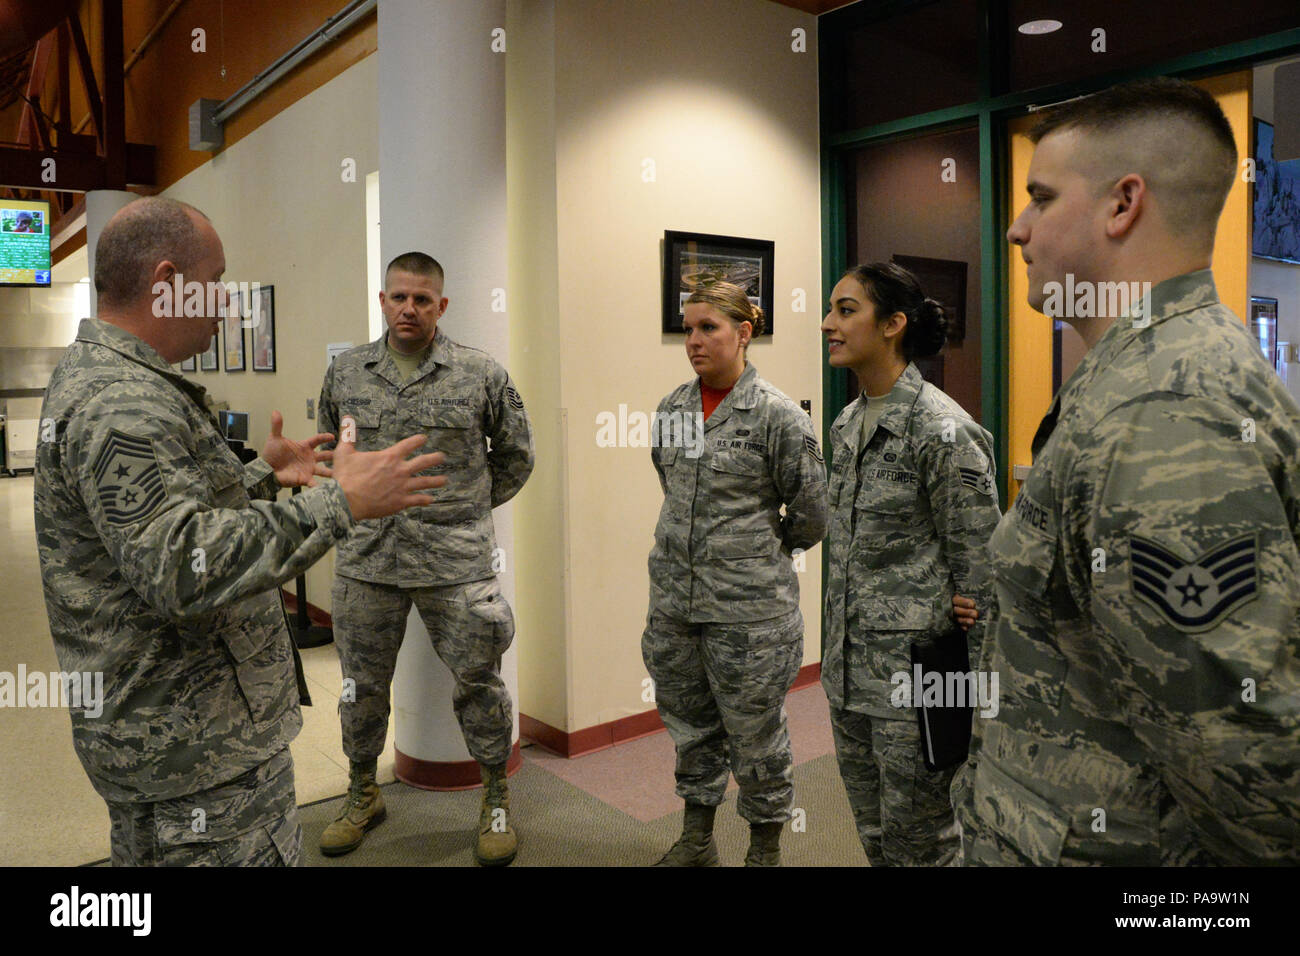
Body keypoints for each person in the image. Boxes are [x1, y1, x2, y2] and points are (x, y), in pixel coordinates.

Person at [34, 196, 447, 866]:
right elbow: (179, 566)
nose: (225, 303)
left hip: (188, 742)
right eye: (217, 281)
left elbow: (163, 522)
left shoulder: (124, 382)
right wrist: (341, 503)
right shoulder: (122, 402)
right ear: (167, 285)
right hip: (190, 755)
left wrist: (257, 478)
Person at [954, 77, 1300, 865]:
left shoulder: (1164, 407)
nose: (1017, 228)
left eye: (1041, 197)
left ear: (1122, 205)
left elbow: (1247, 766)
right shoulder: (1139, 373)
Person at [316, 252, 534, 866]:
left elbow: (517, 455)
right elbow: (336, 454)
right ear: (381, 300)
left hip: (455, 565)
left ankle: (495, 796)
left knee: (479, 685)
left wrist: (464, 510)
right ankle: (362, 792)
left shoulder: (480, 373)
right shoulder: (346, 372)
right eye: (397, 297)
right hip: (368, 562)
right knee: (360, 688)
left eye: (421, 298)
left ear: (442, 306)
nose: (407, 308)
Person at [819, 262, 1000, 866]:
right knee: (874, 838)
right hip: (849, 677)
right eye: (830, 310)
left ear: (894, 324)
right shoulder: (847, 425)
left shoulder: (943, 430)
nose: (828, 324)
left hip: (918, 680)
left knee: (923, 844)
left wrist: (977, 703)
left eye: (847, 310)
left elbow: (982, 577)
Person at [644, 281, 827, 867]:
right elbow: (673, 490)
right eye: (688, 328)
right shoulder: (671, 408)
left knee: (755, 739)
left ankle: (764, 851)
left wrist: (755, 555)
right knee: (691, 728)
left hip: (751, 616)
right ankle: (697, 840)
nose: (693, 340)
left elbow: (812, 512)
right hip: (676, 606)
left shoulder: (777, 414)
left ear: (743, 333)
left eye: (708, 328)